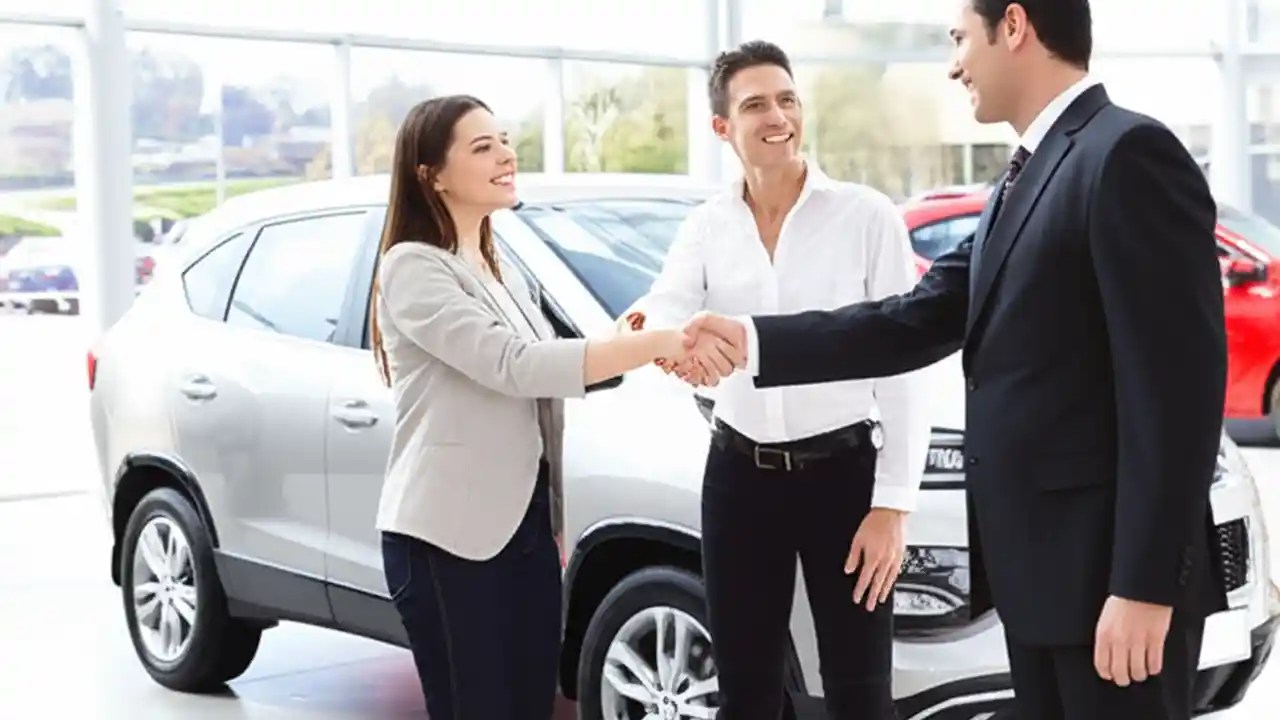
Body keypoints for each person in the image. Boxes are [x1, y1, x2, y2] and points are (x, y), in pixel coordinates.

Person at [676, 2, 1228, 719]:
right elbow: (913, 318)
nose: (953, 65)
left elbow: (1178, 394)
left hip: (1109, 594)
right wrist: (752, 341)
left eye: (960, 39)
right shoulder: (1032, 172)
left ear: (1014, 26)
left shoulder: (1125, 154)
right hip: (1045, 587)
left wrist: (1145, 585)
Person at [368, 94, 719, 720]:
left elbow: (547, 379)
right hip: (447, 537)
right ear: (432, 174)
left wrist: (634, 333)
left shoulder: (502, 269)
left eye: (504, 140)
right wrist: (656, 344)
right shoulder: (412, 267)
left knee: (532, 703)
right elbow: (516, 366)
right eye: (483, 147)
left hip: (523, 527)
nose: (507, 155)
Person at [620, 40, 929, 720]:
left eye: (787, 100)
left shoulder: (866, 215)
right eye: (756, 104)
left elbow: (902, 361)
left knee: (860, 693)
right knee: (746, 692)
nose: (778, 116)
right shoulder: (707, 226)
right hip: (740, 479)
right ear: (722, 126)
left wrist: (892, 506)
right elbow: (667, 307)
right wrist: (665, 336)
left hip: (845, 479)